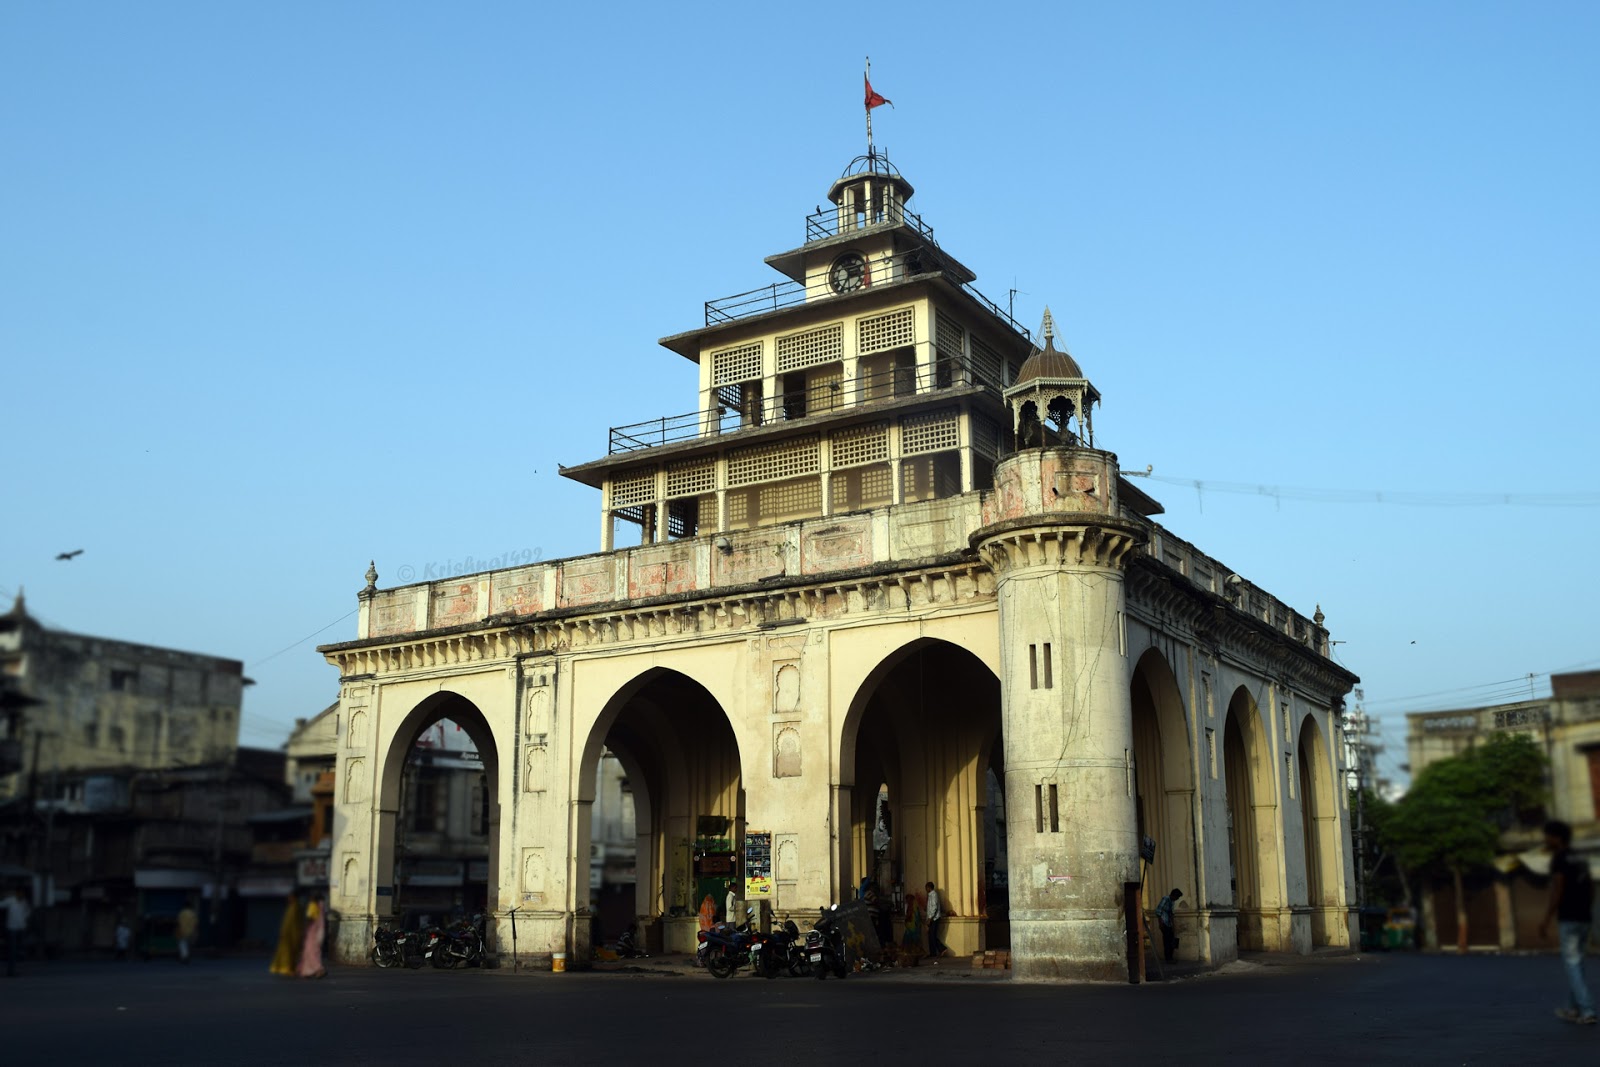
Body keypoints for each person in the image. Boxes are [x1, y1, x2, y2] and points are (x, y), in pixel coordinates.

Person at [1539, 819, 1595, 1025]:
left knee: (1572, 963)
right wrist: (1588, 909)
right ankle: (1572, 1008)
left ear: (1556, 837)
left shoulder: (1559, 858)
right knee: (1577, 963)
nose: (1545, 839)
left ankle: (1587, 1010)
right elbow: (1591, 886)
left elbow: (1558, 889)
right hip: (1584, 917)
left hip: (1569, 918)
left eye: (1547, 835)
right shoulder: (1580, 857)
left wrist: (1546, 919)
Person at [269, 892, 302, 976]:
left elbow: (295, 923)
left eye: (290, 897)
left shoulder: (295, 907)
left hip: (292, 934)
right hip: (286, 934)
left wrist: (296, 934)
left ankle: (289, 968)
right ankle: (284, 968)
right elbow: (286, 922)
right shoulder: (291, 907)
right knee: (285, 953)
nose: (288, 899)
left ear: (294, 897)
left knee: (290, 953)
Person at [298, 895, 327, 979]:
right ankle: (308, 971)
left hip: (312, 931)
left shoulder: (313, 906)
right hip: (319, 931)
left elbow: (309, 918)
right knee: (314, 951)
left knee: (309, 951)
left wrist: (303, 928)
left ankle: (318, 969)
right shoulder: (321, 907)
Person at [3, 888, 29, 977]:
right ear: (16, 894)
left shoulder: (24, 902)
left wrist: (24, 920)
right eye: (19, 893)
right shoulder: (10, 900)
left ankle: (14, 969)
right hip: (12, 928)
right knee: (12, 950)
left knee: (19, 950)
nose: (21, 895)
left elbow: (27, 912)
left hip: (21, 928)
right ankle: (10, 971)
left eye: (22, 894)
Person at [1155, 888, 1183, 962]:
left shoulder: (1172, 902)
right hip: (1164, 922)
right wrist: (1160, 923)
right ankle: (1168, 958)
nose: (1177, 899)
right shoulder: (1166, 899)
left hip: (1169, 923)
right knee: (1167, 941)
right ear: (1174, 895)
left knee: (1171, 941)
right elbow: (1158, 911)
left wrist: (1173, 925)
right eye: (1177, 897)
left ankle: (1171, 957)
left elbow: (1171, 914)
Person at [924, 881, 947, 960]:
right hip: (931, 918)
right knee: (930, 936)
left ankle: (942, 948)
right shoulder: (931, 895)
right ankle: (932, 953)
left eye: (926, 888)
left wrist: (930, 918)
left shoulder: (933, 895)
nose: (925, 889)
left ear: (928, 887)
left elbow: (934, 907)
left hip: (934, 918)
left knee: (932, 935)